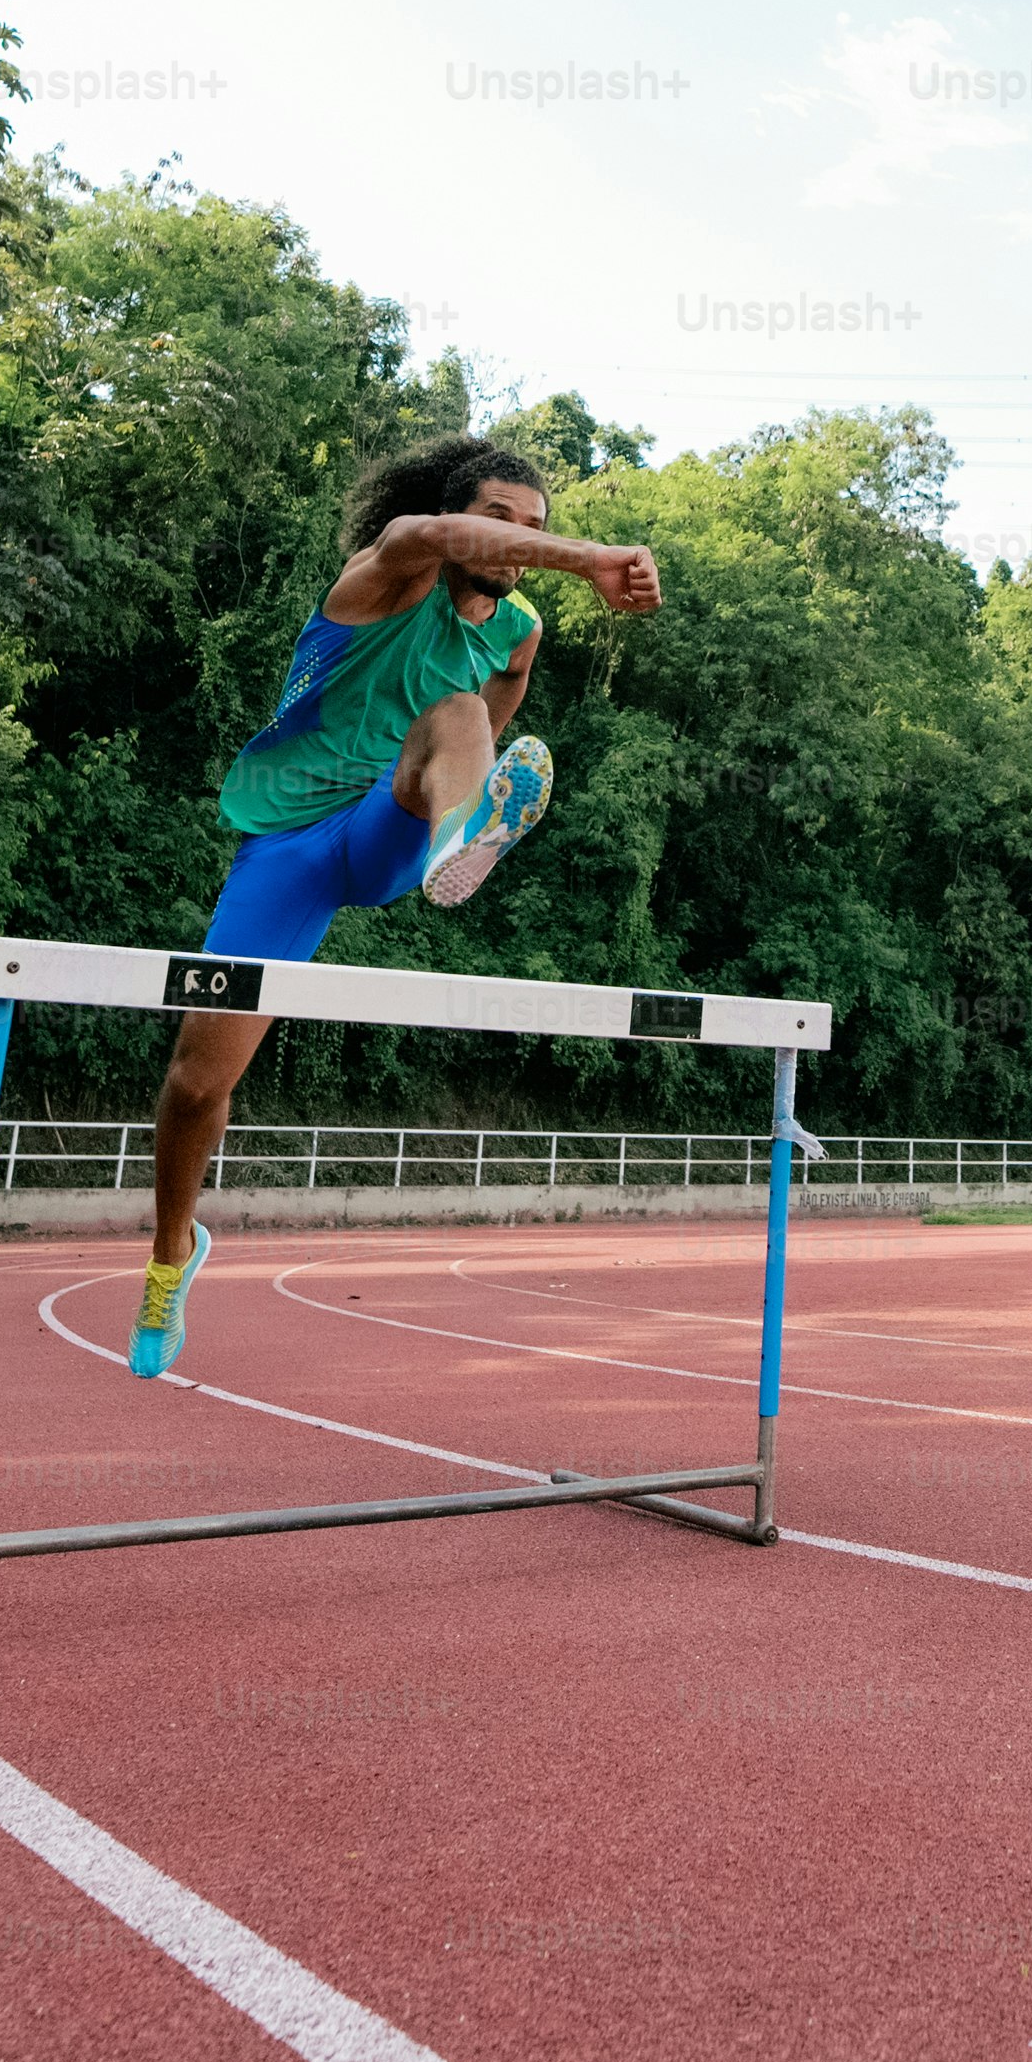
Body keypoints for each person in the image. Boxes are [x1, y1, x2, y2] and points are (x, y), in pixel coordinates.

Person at [125, 436, 661, 1377]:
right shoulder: (386, 573)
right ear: (458, 522)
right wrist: (588, 557)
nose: (516, 542)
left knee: (458, 714)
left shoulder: (516, 631)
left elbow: (497, 700)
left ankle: (467, 834)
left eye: (534, 528)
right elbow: (427, 529)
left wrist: (456, 787)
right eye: (498, 521)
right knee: (196, 1081)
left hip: (393, 824)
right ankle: (172, 1257)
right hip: (286, 848)